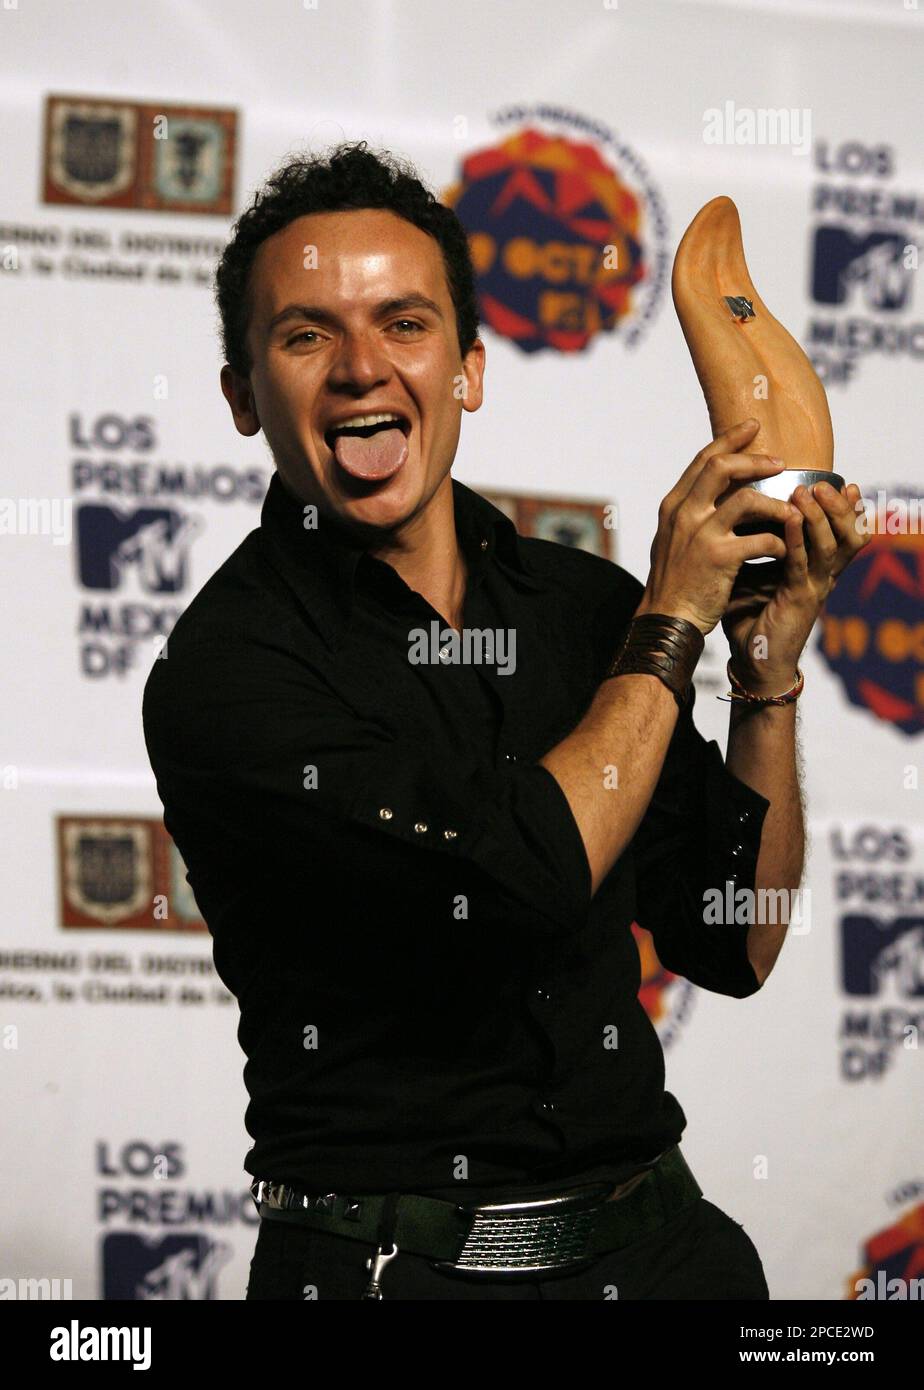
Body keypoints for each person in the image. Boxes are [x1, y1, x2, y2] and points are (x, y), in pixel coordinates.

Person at [142, 140, 869, 1300]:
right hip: (391, 1271)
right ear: (242, 395)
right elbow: (517, 874)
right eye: (305, 334)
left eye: (406, 324)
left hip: (662, 1252)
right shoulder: (227, 672)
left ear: (469, 368)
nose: (361, 371)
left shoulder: (583, 610)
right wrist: (674, 617)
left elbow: (734, 938)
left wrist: (766, 675)